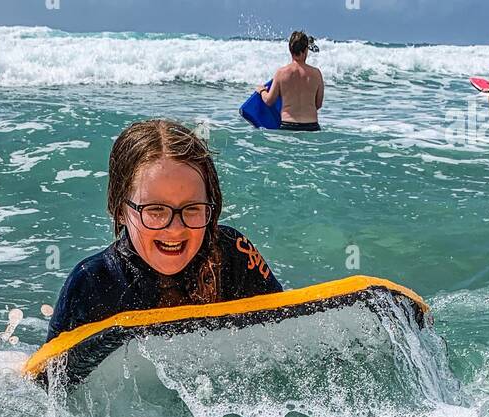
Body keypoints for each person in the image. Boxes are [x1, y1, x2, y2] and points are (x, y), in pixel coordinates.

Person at [44, 119, 283, 383]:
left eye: (192, 208)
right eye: (155, 210)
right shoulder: (93, 282)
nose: (175, 229)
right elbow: (52, 390)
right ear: (120, 209)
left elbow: (286, 340)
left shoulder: (233, 254)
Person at [257, 30, 324, 132]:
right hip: (312, 127)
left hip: (288, 127)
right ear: (306, 50)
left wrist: (262, 91)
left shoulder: (281, 73)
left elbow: (269, 101)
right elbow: (318, 104)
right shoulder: (316, 74)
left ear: (290, 50)